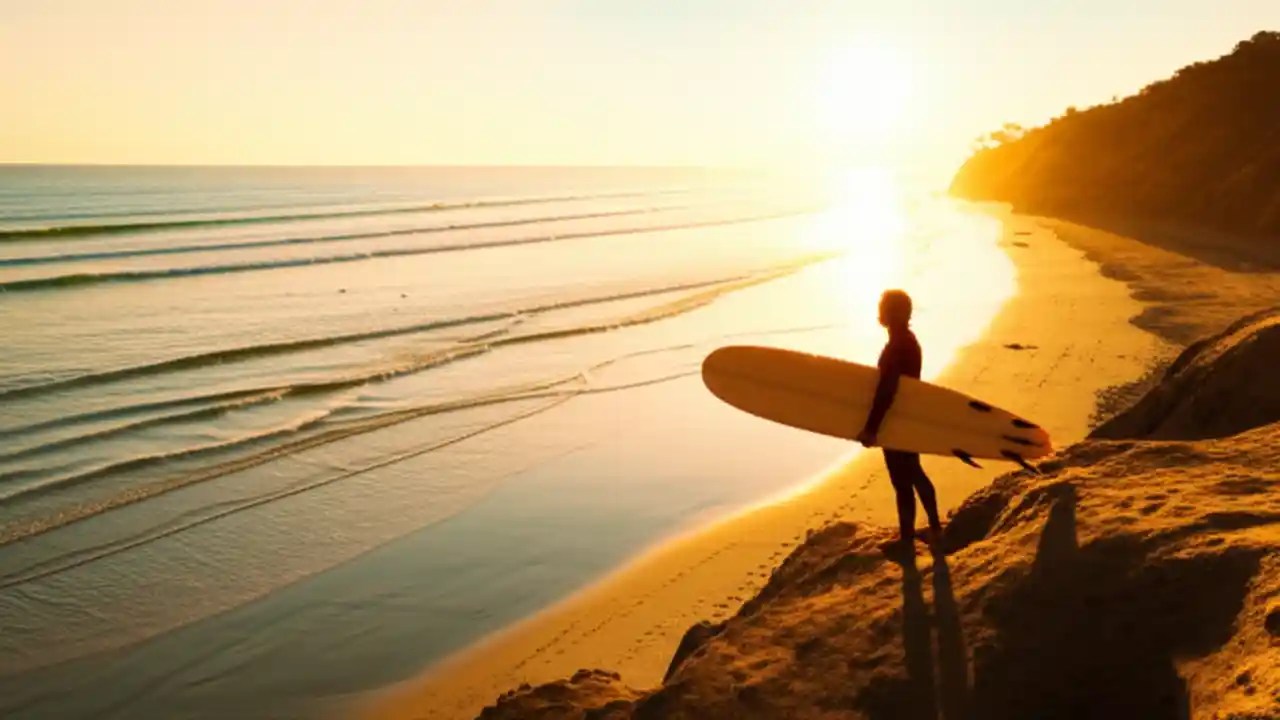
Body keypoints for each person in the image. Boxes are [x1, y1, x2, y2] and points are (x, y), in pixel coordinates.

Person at [856, 289, 943, 555]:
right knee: (913, 472)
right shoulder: (907, 340)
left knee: (904, 479)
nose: (880, 312)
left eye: (883, 307)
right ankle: (935, 529)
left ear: (891, 313)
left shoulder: (898, 345)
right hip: (906, 416)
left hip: (895, 420)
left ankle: (909, 540)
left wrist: (872, 427)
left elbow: (887, 388)